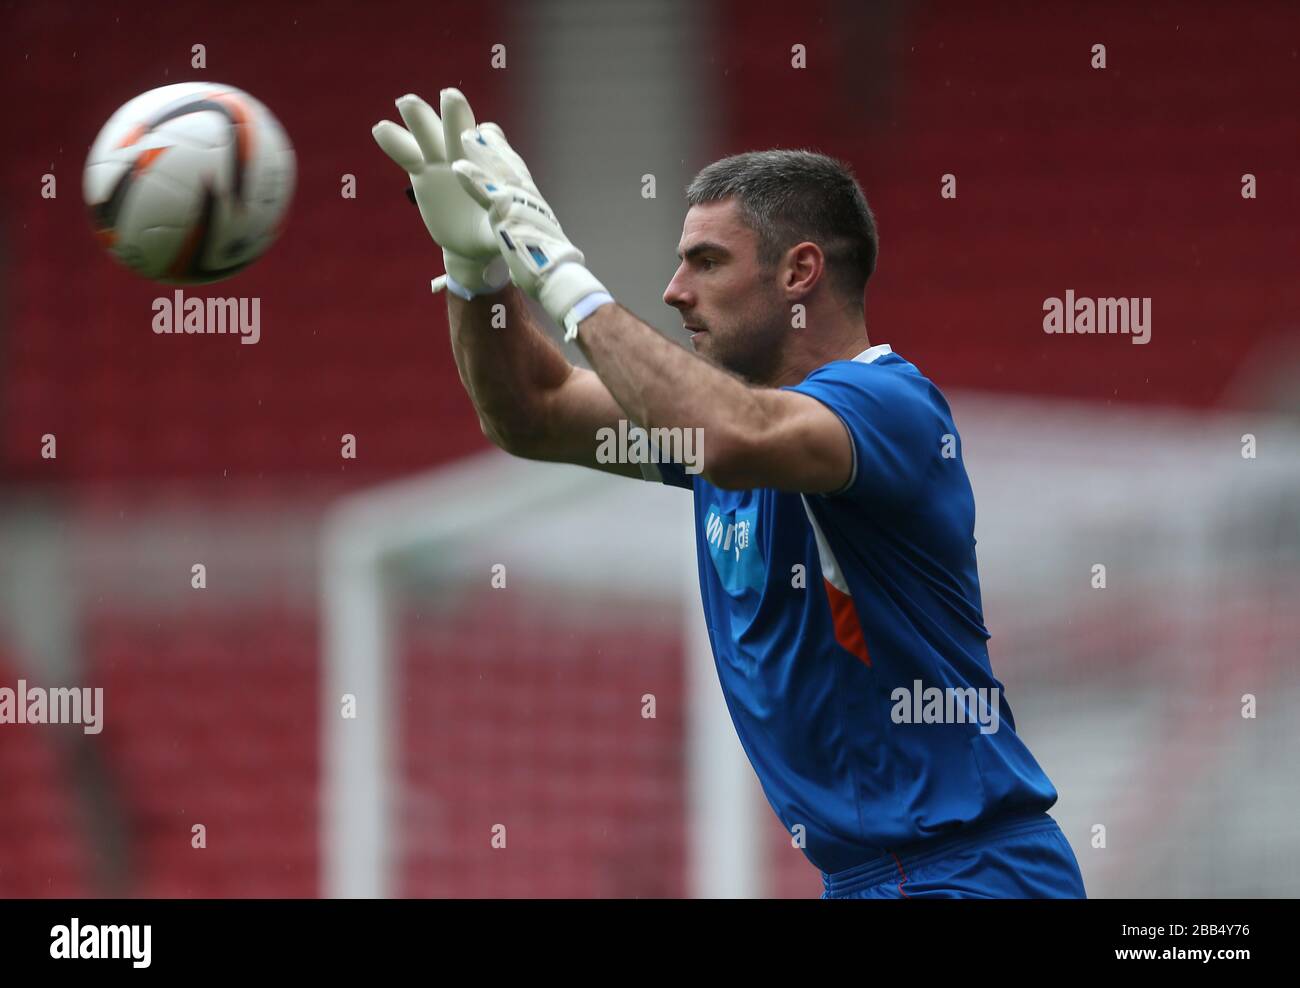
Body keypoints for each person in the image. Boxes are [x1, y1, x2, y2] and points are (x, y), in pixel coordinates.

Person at [373, 88, 1087, 899]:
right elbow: (533, 414)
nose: (675, 290)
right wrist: (478, 273)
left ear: (799, 272)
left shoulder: (889, 408)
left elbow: (734, 436)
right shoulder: (710, 432)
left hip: (975, 874)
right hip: (864, 882)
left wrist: (563, 273)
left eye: (707, 261)